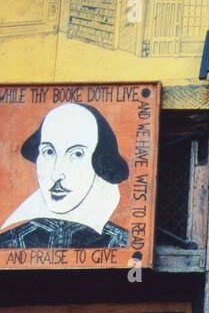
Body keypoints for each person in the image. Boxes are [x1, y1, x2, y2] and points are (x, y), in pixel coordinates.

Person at [0, 102, 129, 249]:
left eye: (77, 154)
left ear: (100, 162)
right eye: (48, 152)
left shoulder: (121, 244)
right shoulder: (8, 243)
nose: (57, 174)